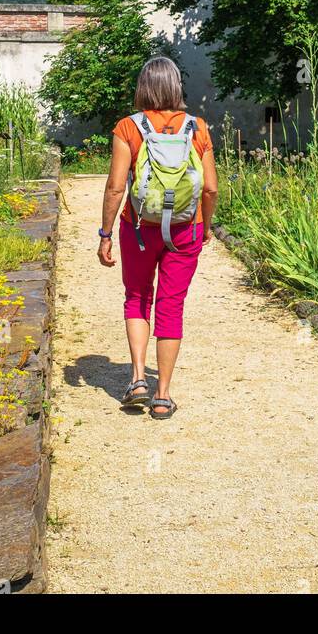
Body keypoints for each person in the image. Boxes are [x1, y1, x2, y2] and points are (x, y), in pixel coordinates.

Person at [98, 56, 218, 419]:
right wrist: (206, 226)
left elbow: (117, 187)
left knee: (136, 295)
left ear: (143, 87)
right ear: (177, 87)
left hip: (137, 229)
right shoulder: (197, 127)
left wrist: (105, 234)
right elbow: (210, 188)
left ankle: (137, 379)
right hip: (186, 229)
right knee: (171, 304)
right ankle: (163, 395)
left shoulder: (128, 127)